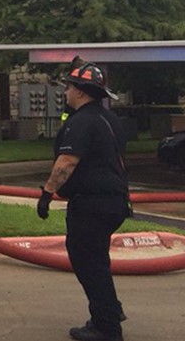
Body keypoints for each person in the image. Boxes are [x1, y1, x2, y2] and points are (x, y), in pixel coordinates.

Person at [37, 62, 131, 341]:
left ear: (80, 91)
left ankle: (107, 327)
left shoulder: (81, 122)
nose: (65, 92)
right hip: (114, 201)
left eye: (68, 87)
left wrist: (47, 193)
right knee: (96, 260)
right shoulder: (106, 118)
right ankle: (109, 310)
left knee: (87, 261)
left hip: (92, 203)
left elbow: (66, 161)